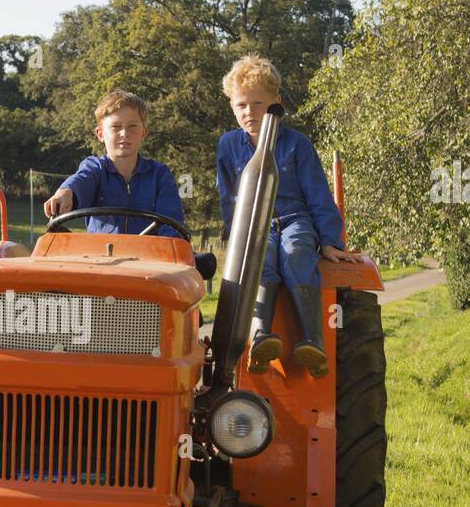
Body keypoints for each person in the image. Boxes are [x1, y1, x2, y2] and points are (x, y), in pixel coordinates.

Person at [216, 55, 362, 377]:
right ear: (232, 107)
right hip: (255, 223)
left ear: (276, 103)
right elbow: (227, 197)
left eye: (258, 103)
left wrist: (330, 241)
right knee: (261, 256)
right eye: (241, 105)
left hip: (296, 219)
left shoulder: (297, 144)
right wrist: (234, 236)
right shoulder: (228, 145)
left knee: (296, 254)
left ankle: (313, 342)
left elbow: (318, 196)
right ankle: (258, 339)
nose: (249, 112)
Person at [43, 90, 187, 237]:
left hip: (148, 257)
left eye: (132, 126)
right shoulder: (95, 169)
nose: (124, 133)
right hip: (101, 257)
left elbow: (172, 226)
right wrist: (66, 192)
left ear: (143, 132)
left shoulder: (159, 175)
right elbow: (81, 181)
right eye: (116, 127)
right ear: (100, 134)